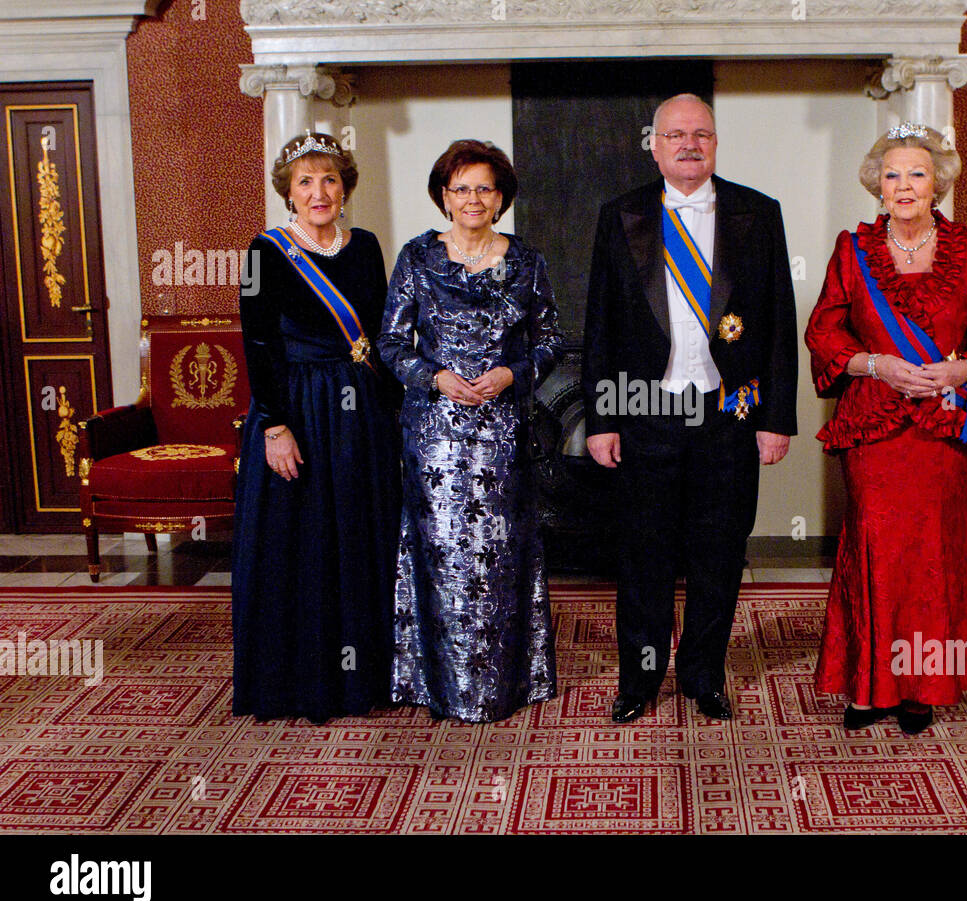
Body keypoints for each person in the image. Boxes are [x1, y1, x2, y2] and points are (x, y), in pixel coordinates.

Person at [582, 93, 799, 724]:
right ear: (654, 144)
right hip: (643, 409)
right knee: (644, 554)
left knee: (719, 552)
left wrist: (776, 418)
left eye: (701, 133)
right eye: (676, 134)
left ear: (715, 142)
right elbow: (600, 324)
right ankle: (641, 679)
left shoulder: (759, 213)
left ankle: (704, 675)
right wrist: (601, 419)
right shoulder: (619, 214)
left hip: (730, 414)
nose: (689, 144)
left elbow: (780, 322)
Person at [804, 122, 967, 735]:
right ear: (877, 184)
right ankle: (870, 685)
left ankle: (922, 682)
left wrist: (963, 367)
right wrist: (878, 364)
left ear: (938, 184)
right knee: (875, 543)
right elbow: (824, 329)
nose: (904, 185)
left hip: (944, 426)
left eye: (917, 174)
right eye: (892, 174)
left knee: (933, 548)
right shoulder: (853, 250)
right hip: (875, 423)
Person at [379, 139, 563, 723]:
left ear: (501, 196)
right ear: (443, 197)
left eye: (484, 188)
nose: (473, 199)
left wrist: (512, 373)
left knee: (501, 555)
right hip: (434, 435)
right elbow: (388, 343)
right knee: (440, 554)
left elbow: (552, 341)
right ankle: (436, 684)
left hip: (504, 435)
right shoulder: (416, 258)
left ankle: (507, 683)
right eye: (461, 189)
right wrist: (433, 377)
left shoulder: (527, 262)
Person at [233, 132, 402, 723]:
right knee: (302, 538)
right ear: (288, 192)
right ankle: (302, 681)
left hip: (361, 411)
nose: (319, 191)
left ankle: (368, 678)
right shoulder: (263, 252)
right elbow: (256, 342)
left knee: (359, 530)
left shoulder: (366, 246)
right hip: (298, 407)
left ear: (345, 186)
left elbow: (379, 332)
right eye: (305, 181)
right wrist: (275, 426)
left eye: (329, 179)